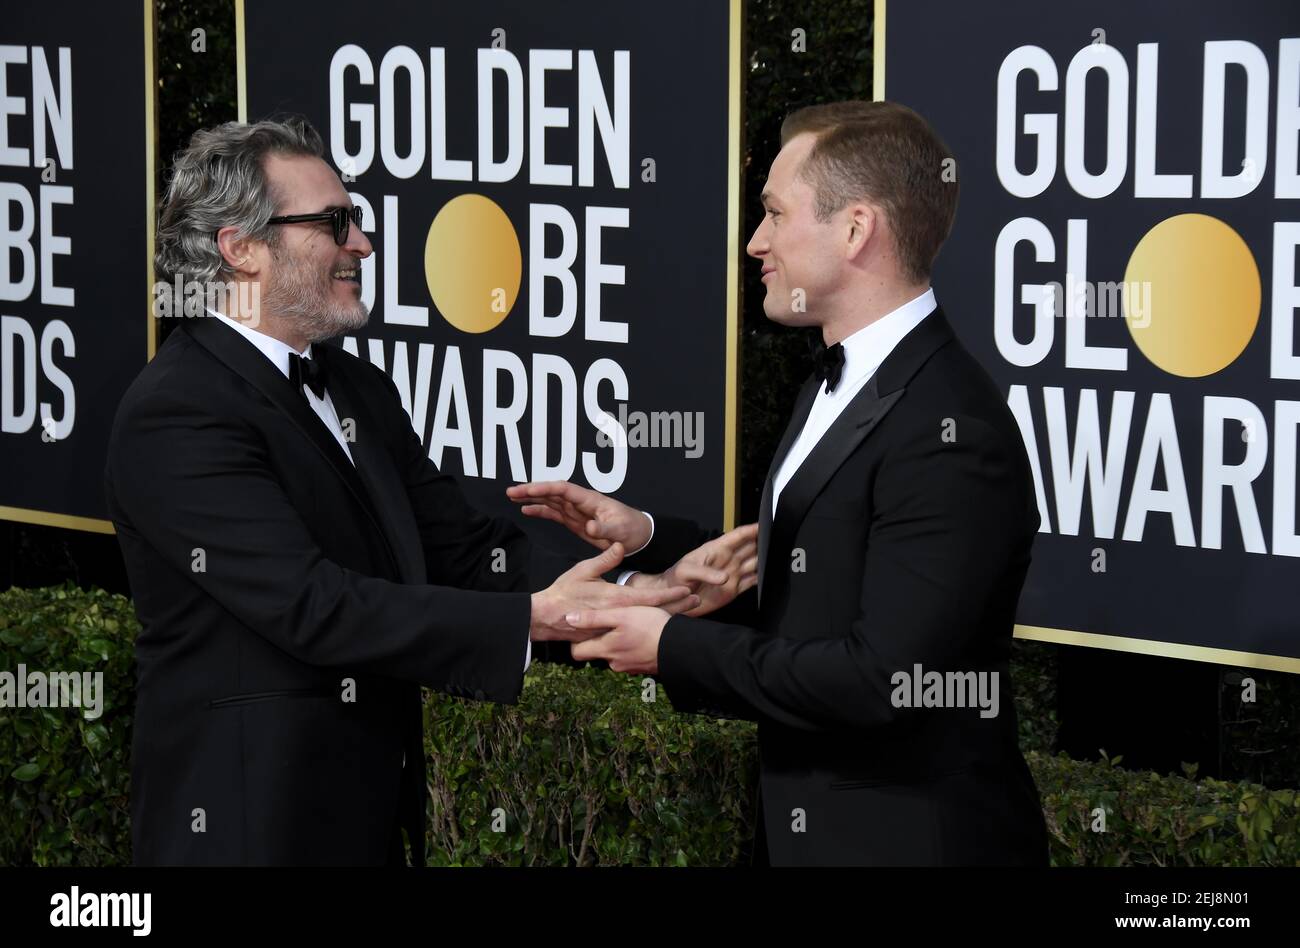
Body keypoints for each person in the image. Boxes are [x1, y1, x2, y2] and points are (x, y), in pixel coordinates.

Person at [106, 116, 754, 865]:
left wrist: (640, 586)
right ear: (240, 248)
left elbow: (464, 550)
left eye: (358, 221)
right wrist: (531, 620)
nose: (364, 245)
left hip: (368, 816)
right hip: (246, 826)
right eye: (334, 223)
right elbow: (312, 606)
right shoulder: (177, 412)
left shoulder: (357, 386)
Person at [509, 101, 1050, 866]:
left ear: (856, 230)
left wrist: (675, 646)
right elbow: (822, 577)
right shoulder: (842, 381)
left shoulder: (949, 430)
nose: (755, 241)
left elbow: (886, 680)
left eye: (772, 213)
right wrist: (655, 540)